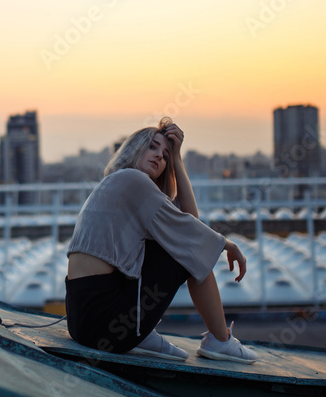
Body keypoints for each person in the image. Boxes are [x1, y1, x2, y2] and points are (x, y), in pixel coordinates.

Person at [64, 117, 257, 363]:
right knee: (189, 249)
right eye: (152, 147)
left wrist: (177, 159)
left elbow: (188, 220)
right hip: (108, 325)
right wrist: (230, 245)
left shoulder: (117, 184)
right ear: (134, 148)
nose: (159, 157)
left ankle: (142, 333)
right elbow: (191, 230)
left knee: (175, 241)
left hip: (81, 324)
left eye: (166, 155)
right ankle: (221, 340)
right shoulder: (133, 180)